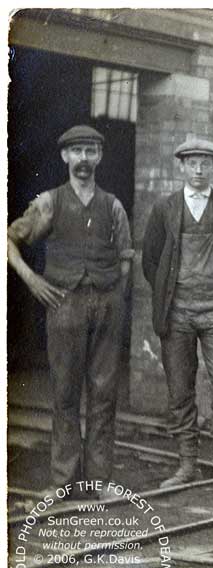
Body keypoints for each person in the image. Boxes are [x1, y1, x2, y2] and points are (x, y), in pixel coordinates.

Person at [7, 125, 133, 499]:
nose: (83, 159)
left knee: (103, 393)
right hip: (64, 305)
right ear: (65, 157)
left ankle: (99, 482)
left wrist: (112, 297)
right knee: (64, 393)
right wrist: (33, 282)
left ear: (99, 157)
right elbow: (10, 239)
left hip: (106, 306)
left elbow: (126, 259)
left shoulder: (112, 205)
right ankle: (62, 482)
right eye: (76, 151)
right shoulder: (49, 202)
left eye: (90, 151)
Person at [142, 138, 213, 499]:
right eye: (193, 163)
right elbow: (151, 261)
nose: (199, 169)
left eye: (206, 163)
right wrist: (174, 293)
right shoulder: (164, 208)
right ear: (183, 166)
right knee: (180, 390)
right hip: (178, 311)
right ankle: (187, 463)